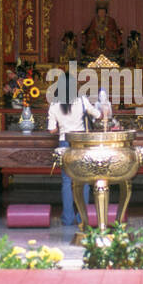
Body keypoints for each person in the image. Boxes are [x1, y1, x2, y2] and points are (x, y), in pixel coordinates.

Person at [48, 77, 100, 227]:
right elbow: (98, 115)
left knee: (66, 181)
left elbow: (52, 129)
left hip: (65, 142)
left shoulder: (54, 104)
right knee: (83, 181)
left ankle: (67, 218)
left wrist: (62, 127)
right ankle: (82, 218)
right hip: (81, 143)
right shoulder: (82, 100)